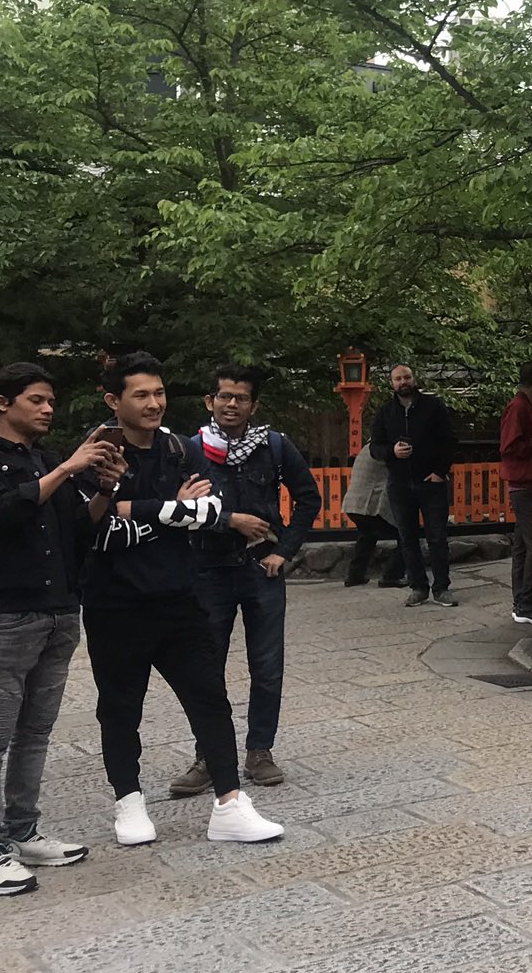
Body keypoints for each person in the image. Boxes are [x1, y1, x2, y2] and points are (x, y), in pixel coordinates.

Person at [79, 352, 284, 847]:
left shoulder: (178, 447)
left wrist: (140, 510)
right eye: (141, 395)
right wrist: (175, 509)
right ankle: (128, 802)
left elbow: (211, 511)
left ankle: (230, 802)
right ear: (113, 400)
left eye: (159, 393)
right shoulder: (96, 450)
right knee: (121, 708)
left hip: (180, 598)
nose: (154, 403)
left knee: (210, 699)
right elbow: (99, 531)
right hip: (115, 605)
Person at [171, 365, 322, 798]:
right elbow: (177, 508)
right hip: (208, 571)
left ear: (253, 405)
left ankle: (260, 750)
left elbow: (309, 498)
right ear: (210, 401)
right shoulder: (190, 450)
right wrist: (229, 520)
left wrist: (284, 550)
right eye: (224, 396)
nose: (231, 404)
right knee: (206, 668)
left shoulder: (274, 446)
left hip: (262, 569)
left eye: (240, 398)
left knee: (267, 666)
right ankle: (208, 757)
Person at [0, 363, 118, 892]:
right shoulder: (46, 465)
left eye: (51, 400)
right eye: (37, 400)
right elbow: (6, 513)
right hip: (8, 613)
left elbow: (78, 528)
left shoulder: (46, 461)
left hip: (60, 610)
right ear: (3, 403)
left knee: (35, 731)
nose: (48, 409)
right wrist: (69, 468)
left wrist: (105, 490)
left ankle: (22, 831)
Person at [369, 363, 459, 608]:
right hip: (399, 483)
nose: (403, 382)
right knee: (407, 539)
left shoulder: (433, 406)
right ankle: (418, 587)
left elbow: (449, 440)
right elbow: (375, 447)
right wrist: (392, 451)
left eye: (406, 377)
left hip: (431, 482)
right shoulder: (386, 412)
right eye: (398, 379)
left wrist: (440, 471)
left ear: (414, 379)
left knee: (437, 537)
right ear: (392, 383)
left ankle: (442, 587)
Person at [499, 360, 532, 624]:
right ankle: (526, 603)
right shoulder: (518, 407)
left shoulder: (522, 406)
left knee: (521, 546)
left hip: (525, 484)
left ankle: (521, 602)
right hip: (524, 485)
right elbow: (510, 447)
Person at [340, 441, 405, 588]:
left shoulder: (367, 447)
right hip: (370, 505)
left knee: (367, 536)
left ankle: (354, 575)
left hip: (353, 504)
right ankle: (391, 576)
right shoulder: (387, 449)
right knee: (407, 537)